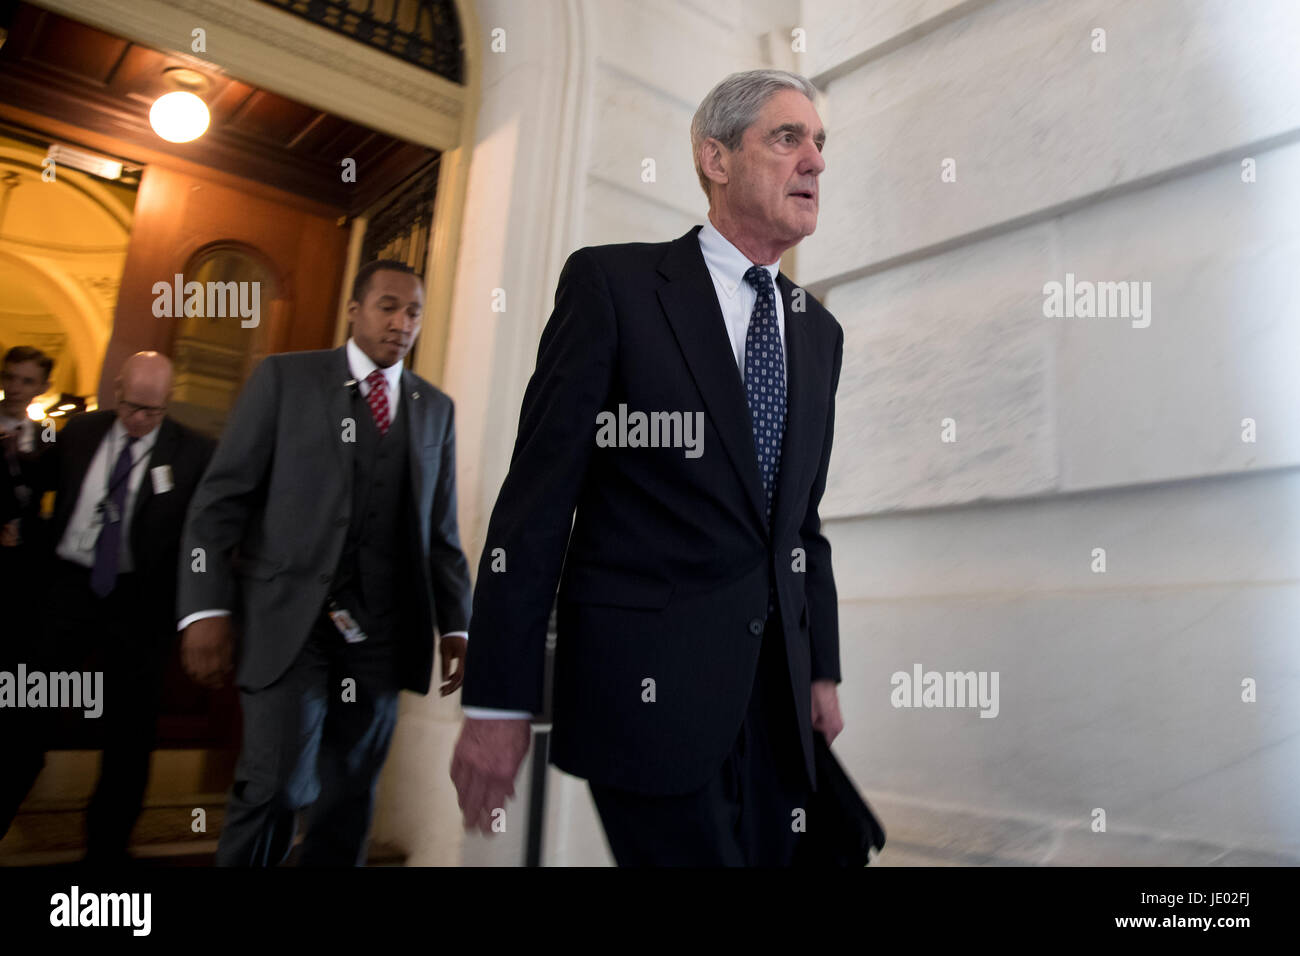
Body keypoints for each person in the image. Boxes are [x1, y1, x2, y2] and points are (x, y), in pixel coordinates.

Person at [452, 69, 846, 865]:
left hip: (774, 705)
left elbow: (800, 522)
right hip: (645, 697)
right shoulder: (615, 287)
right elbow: (537, 501)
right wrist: (498, 700)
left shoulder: (818, 332)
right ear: (716, 157)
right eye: (786, 138)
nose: (814, 161)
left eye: (820, 142)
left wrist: (821, 668)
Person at [177, 259, 472, 866]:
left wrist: (458, 623)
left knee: (351, 792)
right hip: (290, 623)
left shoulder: (433, 408)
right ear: (355, 310)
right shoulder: (285, 380)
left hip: (381, 635)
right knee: (280, 782)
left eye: (413, 311)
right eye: (388, 306)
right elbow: (219, 504)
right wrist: (204, 608)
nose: (401, 322)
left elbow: (440, 535)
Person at [3, 351, 214, 861]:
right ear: (117, 390)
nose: (139, 419)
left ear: (168, 401)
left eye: (152, 411)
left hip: (138, 606)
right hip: (69, 592)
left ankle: (106, 849)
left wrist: (202, 613)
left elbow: (203, 536)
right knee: (29, 715)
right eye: (131, 406)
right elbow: (33, 480)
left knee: (129, 735)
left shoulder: (193, 453)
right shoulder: (79, 431)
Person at [0, 345, 56, 839]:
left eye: (26, 381)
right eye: (10, 378)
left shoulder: (48, 436)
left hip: (24, 583)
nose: (15, 388)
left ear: (40, 388)